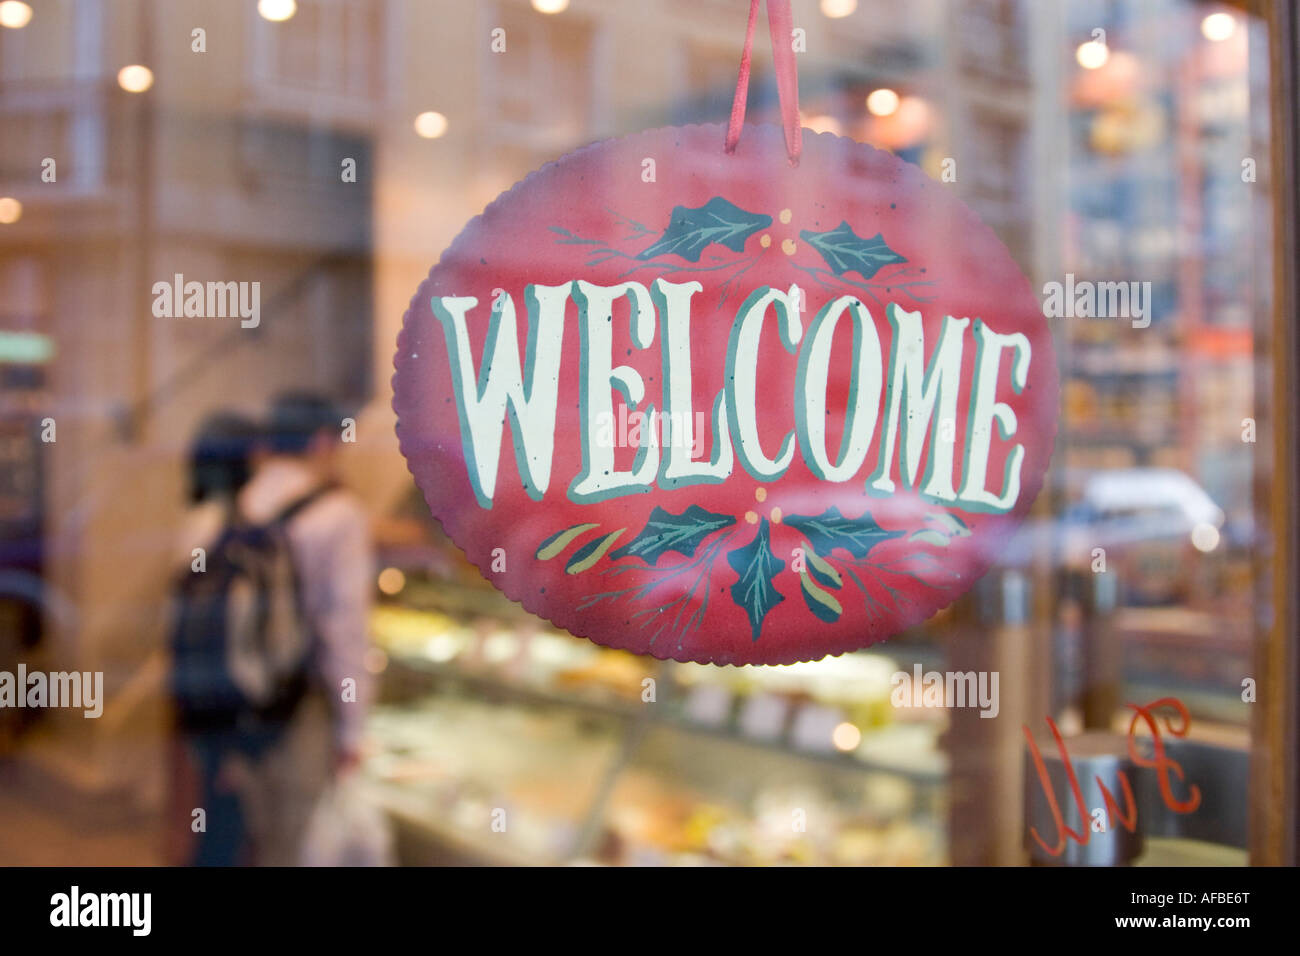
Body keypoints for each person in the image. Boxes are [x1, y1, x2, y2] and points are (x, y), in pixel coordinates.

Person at [234, 392, 375, 866]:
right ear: (320, 441)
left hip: (240, 698)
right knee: (297, 840)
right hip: (300, 703)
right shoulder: (338, 513)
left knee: (254, 832)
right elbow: (344, 629)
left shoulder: (246, 498)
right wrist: (352, 730)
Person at [170, 411, 262, 866]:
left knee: (212, 824)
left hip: (203, 698)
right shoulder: (218, 530)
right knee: (220, 831)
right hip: (220, 703)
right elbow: (217, 631)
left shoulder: (200, 519)